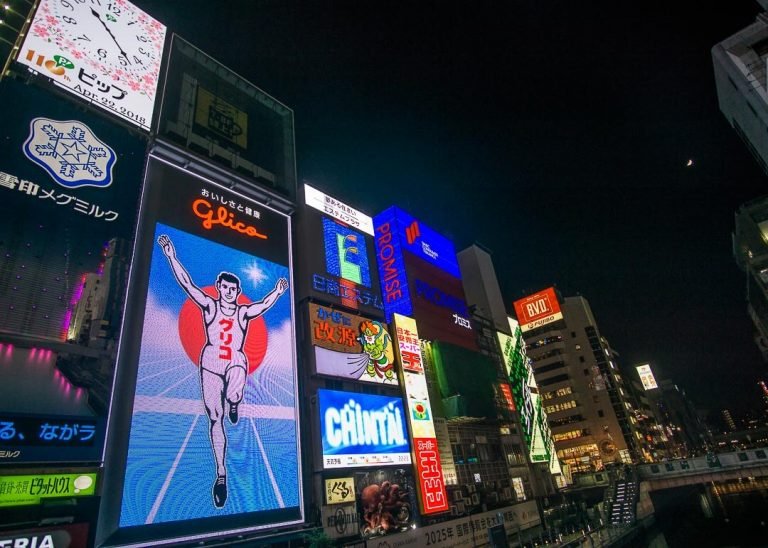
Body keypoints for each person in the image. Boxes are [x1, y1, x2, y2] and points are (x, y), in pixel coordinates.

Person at [158, 234, 288, 508]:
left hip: (234, 362)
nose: (229, 292)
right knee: (215, 419)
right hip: (211, 364)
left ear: (237, 291)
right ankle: (221, 474)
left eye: (233, 289)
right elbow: (187, 284)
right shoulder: (209, 306)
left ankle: (235, 400)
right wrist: (171, 256)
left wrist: (277, 291)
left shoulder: (242, 313)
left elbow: (262, 305)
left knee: (239, 366)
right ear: (219, 287)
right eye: (225, 287)